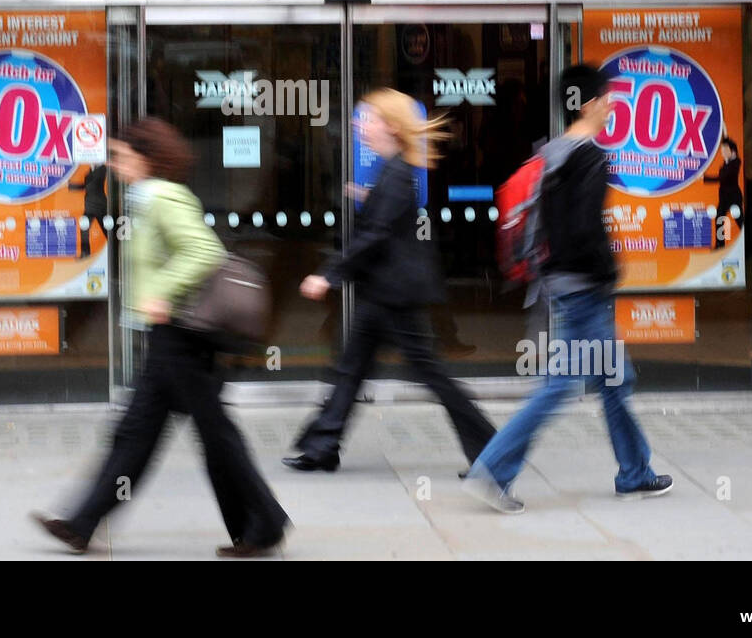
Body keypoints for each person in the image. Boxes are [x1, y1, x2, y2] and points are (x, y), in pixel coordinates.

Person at [32, 118, 289, 557]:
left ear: (147, 158)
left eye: (124, 156)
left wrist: (160, 294)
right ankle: (83, 523)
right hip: (169, 334)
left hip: (182, 336)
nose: (117, 164)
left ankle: (265, 522)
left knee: (211, 434)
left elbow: (204, 251)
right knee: (138, 433)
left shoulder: (163, 197)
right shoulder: (146, 197)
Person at [462, 65, 673, 513]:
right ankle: (494, 468)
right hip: (585, 290)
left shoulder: (553, 152)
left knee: (615, 378)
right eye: (608, 97)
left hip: (562, 284)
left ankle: (635, 471)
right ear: (589, 103)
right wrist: (608, 271)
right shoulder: (589, 157)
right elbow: (582, 232)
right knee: (559, 386)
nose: (613, 104)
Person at [283, 89, 497, 472]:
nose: (357, 123)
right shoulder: (393, 169)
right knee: (350, 368)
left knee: (429, 374)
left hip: (395, 294)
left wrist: (328, 274)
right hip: (382, 290)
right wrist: (366, 194)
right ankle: (322, 446)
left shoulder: (398, 172)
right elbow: (387, 222)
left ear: (391, 127)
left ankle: (492, 454)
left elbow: (376, 234)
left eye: (368, 118)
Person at [703, 137, 743, 250]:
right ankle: (720, 245)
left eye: (726, 150)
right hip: (725, 197)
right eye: (722, 150)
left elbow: (722, 178)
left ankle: (750, 241)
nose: (723, 152)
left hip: (733, 197)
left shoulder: (735, 162)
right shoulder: (727, 162)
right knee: (719, 218)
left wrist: (705, 178)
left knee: (739, 221)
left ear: (733, 151)